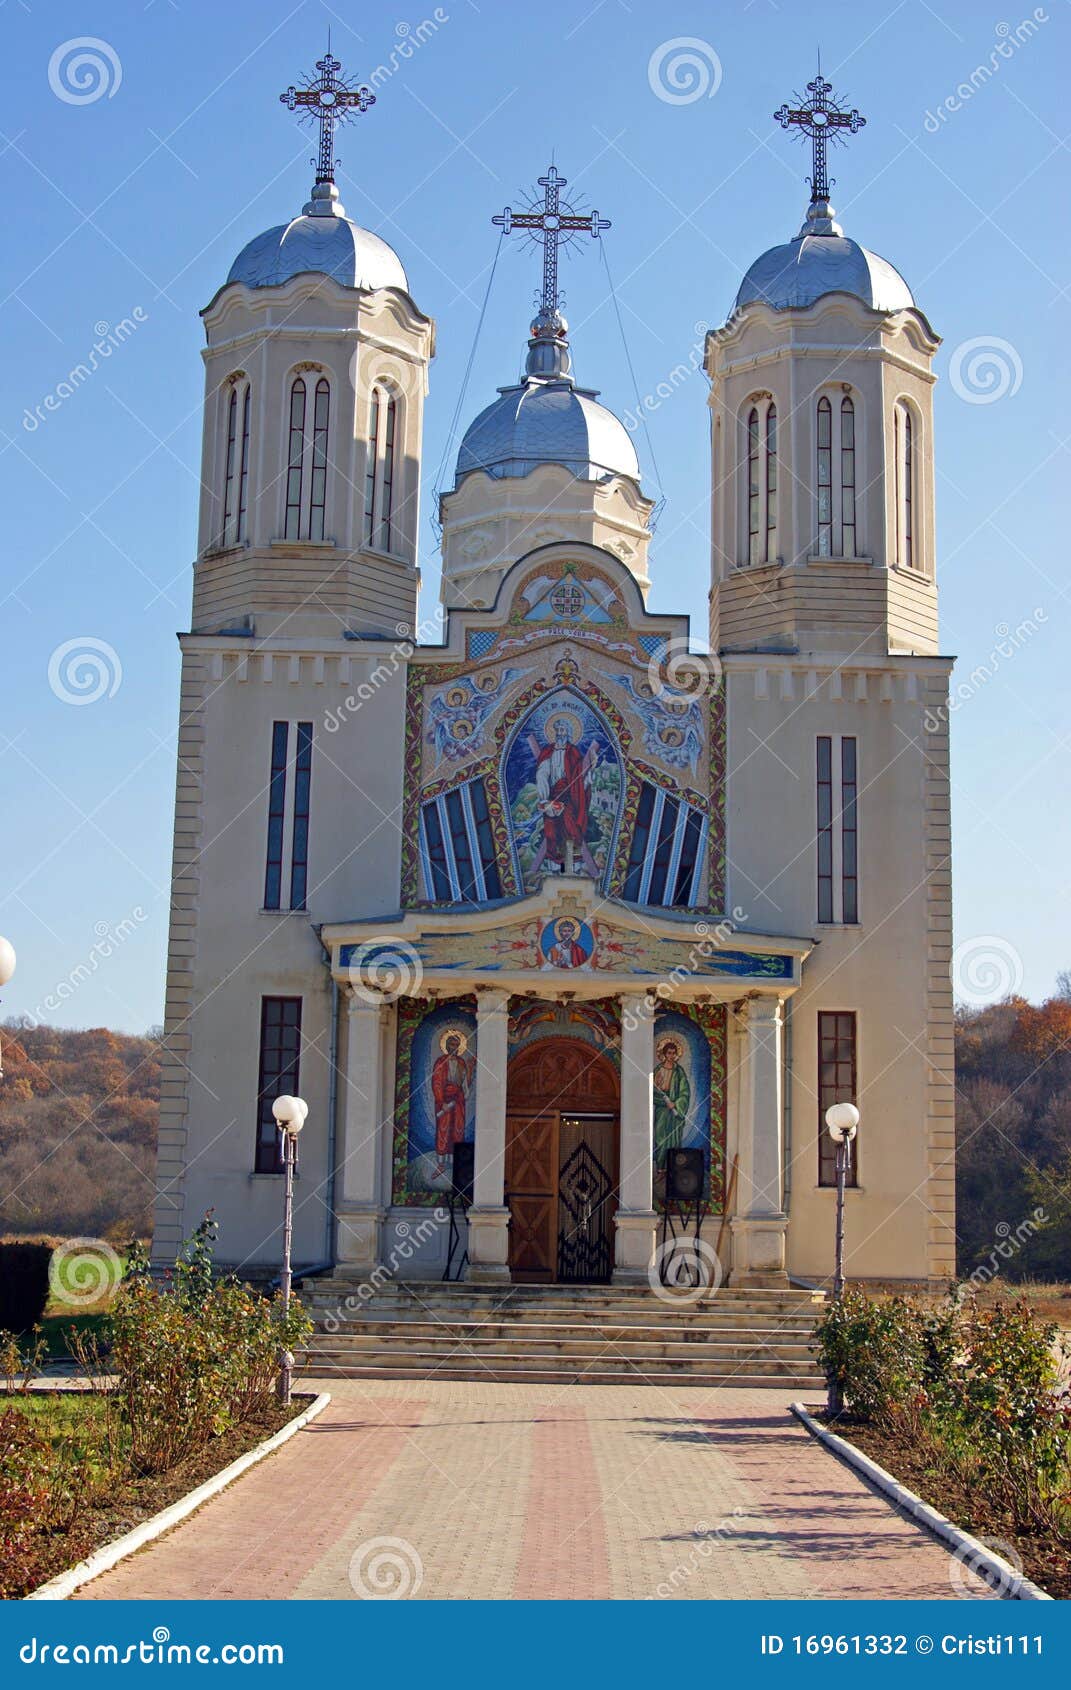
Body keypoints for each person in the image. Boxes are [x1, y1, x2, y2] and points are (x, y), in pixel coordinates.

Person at [527, 715, 600, 876]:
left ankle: (573, 865)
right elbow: (542, 773)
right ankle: (555, 865)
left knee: (571, 828)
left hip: (570, 796)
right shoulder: (547, 752)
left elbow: (580, 774)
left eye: (563, 730)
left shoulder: (573, 752)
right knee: (551, 830)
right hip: (552, 796)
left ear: (568, 733)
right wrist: (544, 797)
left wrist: (590, 771)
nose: (560, 733)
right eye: (558, 730)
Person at [431, 1031, 473, 1175]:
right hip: (445, 1100)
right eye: (451, 1044)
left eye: (456, 1044)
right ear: (447, 1046)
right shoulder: (440, 1062)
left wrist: (469, 1070)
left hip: (458, 1100)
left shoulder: (461, 1062)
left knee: (457, 1129)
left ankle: (454, 1162)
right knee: (444, 1128)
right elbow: (436, 1083)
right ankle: (441, 1164)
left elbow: (464, 1084)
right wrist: (441, 1101)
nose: (454, 1047)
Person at [653, 1038, 691, 1170]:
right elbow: (652, 1090)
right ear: (664, 1054)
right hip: (662, 1110)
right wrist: (662, 1099)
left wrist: (676, 1104)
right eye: (669, 1053)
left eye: (674, 1053)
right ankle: (660, 1168)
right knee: (660, 1138)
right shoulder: (658, 1069)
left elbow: (685, 1092)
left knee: (673, 1139)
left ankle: (672, 1169)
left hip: (674, 1110)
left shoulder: (679, 1071)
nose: (671, 1056)